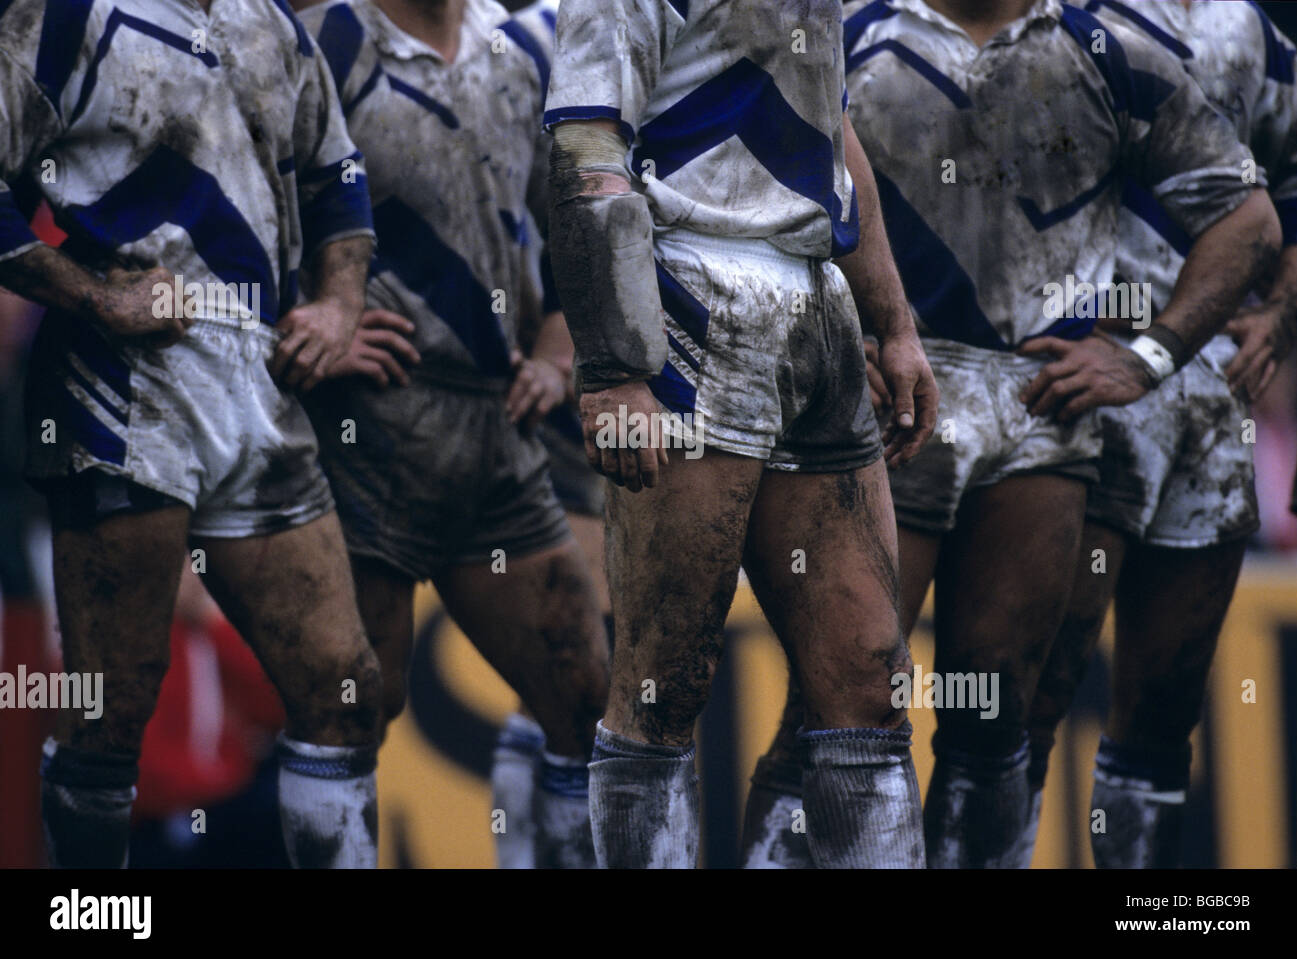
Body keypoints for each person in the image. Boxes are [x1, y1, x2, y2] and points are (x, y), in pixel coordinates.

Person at [744, 0, 1280, 868]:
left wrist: (1148, 354)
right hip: (888, 398)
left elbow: (1249, 219)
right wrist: (832, 328)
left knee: (997, 714)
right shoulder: (847, 30)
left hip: (1035, 411)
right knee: (834, 707)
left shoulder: (1111, 47)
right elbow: (752, 185)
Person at [547, 0, 939, 868]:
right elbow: (584, 150)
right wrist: (615, 367)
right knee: (665, 685)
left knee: (870, 686)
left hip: (817, 310)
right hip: (692, 298)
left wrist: (894, 323)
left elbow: (829, 128)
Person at [0, 0, 387, 867]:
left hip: (259, 386)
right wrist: (98, 295)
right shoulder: (61, 16)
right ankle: (94, 921)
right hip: (117, 389)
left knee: (344, 688)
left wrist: (337, 303)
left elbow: (340, 180)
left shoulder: (278, 25)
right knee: (115, 709)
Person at [300, 0, 610, 868]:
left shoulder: (516, 51)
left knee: (584, 693)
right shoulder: (327, 38)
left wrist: (555, 351)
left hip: (494, 429)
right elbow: (253, 202)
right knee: (353, 707)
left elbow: (576, 226)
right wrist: (319, 315)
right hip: (365, 428)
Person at [1022, 0, 1297, 869]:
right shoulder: (1048, 17)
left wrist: (1282, 312)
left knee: (1168, 694)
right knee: (1038, 680)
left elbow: (1294, 186)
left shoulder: (1248, 28)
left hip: (1211, 384)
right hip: (1082, 365)